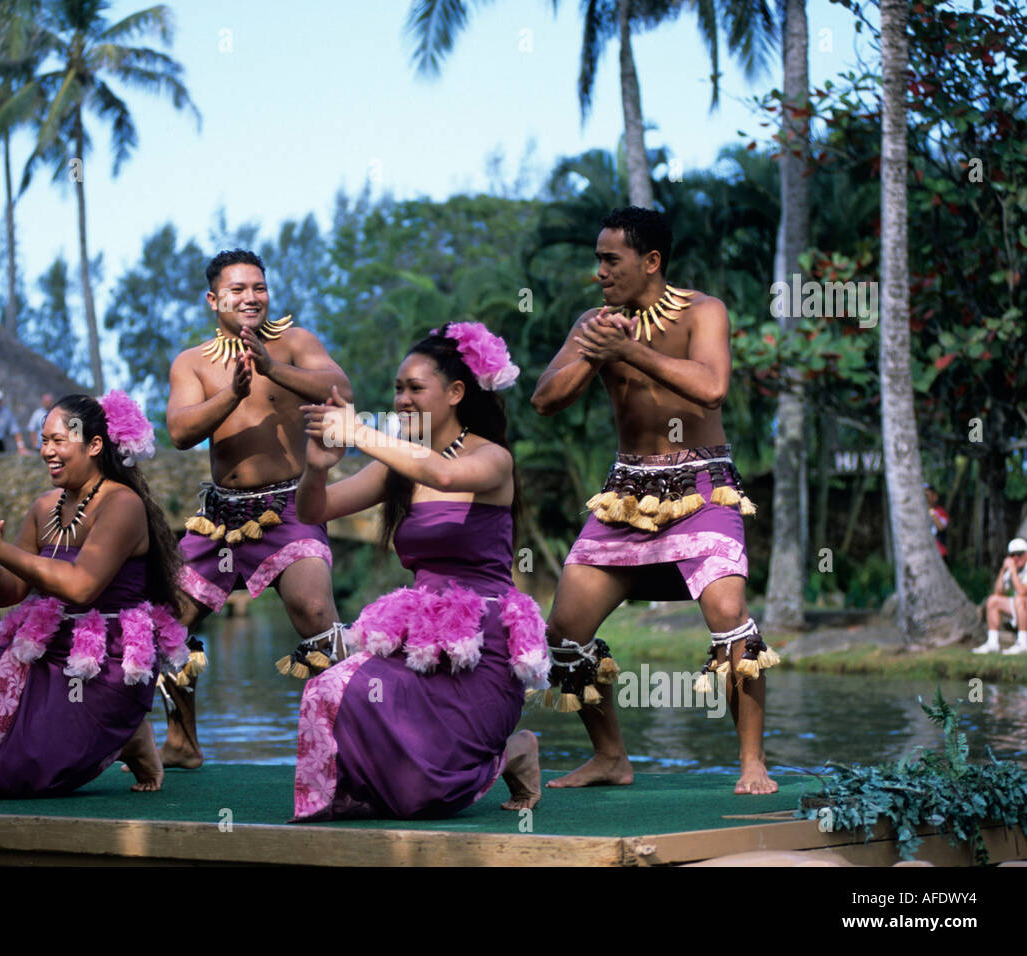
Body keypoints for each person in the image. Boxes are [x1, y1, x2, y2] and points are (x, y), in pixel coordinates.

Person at [531, 206, 777, 795]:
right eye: (597, 260)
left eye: (610, 260)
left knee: (727, 615)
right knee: (564, 630)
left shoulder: (703, 311)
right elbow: (544, 400)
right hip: (624, 494)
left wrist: (630, 351)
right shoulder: (595, 322)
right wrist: (595, 350)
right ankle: (611, 758)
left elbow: (712, 388)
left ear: (651, 262)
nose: (599, 272)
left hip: (703, 485)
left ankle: (751, 763)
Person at [292, 323, 546, 821]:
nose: (402, 399)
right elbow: (313, 511)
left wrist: (358, 430)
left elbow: (444, 475)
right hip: (418, 636)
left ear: (455, 393)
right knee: (332, 685)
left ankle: (514, 748)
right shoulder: (397, 467)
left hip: (481, 646)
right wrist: (317, 466)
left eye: (414, 388)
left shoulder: (492, 459)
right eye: (397, 389)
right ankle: (347, 793)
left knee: (429, 797)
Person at [0, 392, 189, 797]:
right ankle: (119, 736)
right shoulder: (43, 508)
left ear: (94, 445)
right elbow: (8, 593)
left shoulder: (122, 504)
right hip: (45, 646)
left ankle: (129, 735)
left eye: (59, 441)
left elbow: (81, 586)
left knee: (29, 766)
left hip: (104, 660)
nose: (47, 451)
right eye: (43, 440)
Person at [161, 249, 353, 769]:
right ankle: (182, 741)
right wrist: (234, 393)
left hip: (290, 508)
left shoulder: (294, 342)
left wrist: (273, 368)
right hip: (219, 517)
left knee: (315, 613)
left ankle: (348, 747)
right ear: (213, 299)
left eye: (259, 288)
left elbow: (342, 390)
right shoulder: (192, 362)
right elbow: (179, 431)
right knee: (166, 621)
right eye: (238, 289)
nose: (251, 297)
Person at [972, 537, 1027, 655]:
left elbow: (1022, 592)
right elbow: (998, 591)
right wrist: (1003, 570)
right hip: (1021, 606)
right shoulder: (1013, 569)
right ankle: (992, 643)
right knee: (993, 601)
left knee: (1019, 599)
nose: (1016, 558)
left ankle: (1023, 643)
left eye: (1020, 554)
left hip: (1023, 603)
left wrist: (1012, 571)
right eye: (1013, 555)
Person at [925, 484, 950, 560]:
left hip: (939, 552)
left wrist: (931, 513)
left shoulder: (941, 512)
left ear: (935, 496)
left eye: (928, 495)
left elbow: (941, 527)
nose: (926, 498)